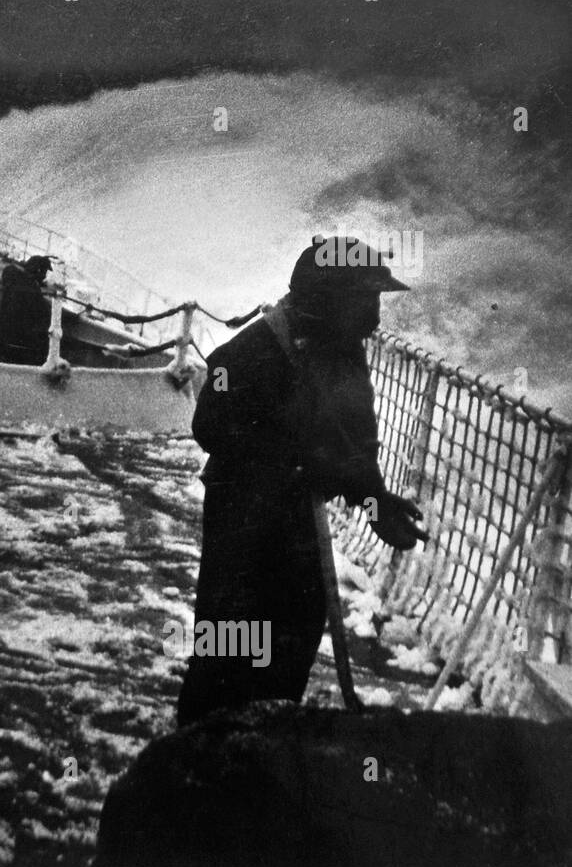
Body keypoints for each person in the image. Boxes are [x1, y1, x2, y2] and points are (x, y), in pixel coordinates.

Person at [175, 237, 427, 727]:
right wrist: (292, 455)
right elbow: (208, 429)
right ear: (325, 299)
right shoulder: (242, 356)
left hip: (295, 520)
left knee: (295, 627)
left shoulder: (344, 352)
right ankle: (199, 748)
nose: (374, 318)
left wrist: (376, 503)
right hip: (243, 517)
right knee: (232, 639)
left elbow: (354, 441)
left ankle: (269, 735)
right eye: (365, 300)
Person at [0, 255, 54, 364]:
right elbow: (44, 311)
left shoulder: (11, 274)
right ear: (38, 271)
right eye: (44, 272)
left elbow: (11, 270)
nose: (44, 276)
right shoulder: (33, 289)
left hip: (1, 330)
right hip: (19, 337)